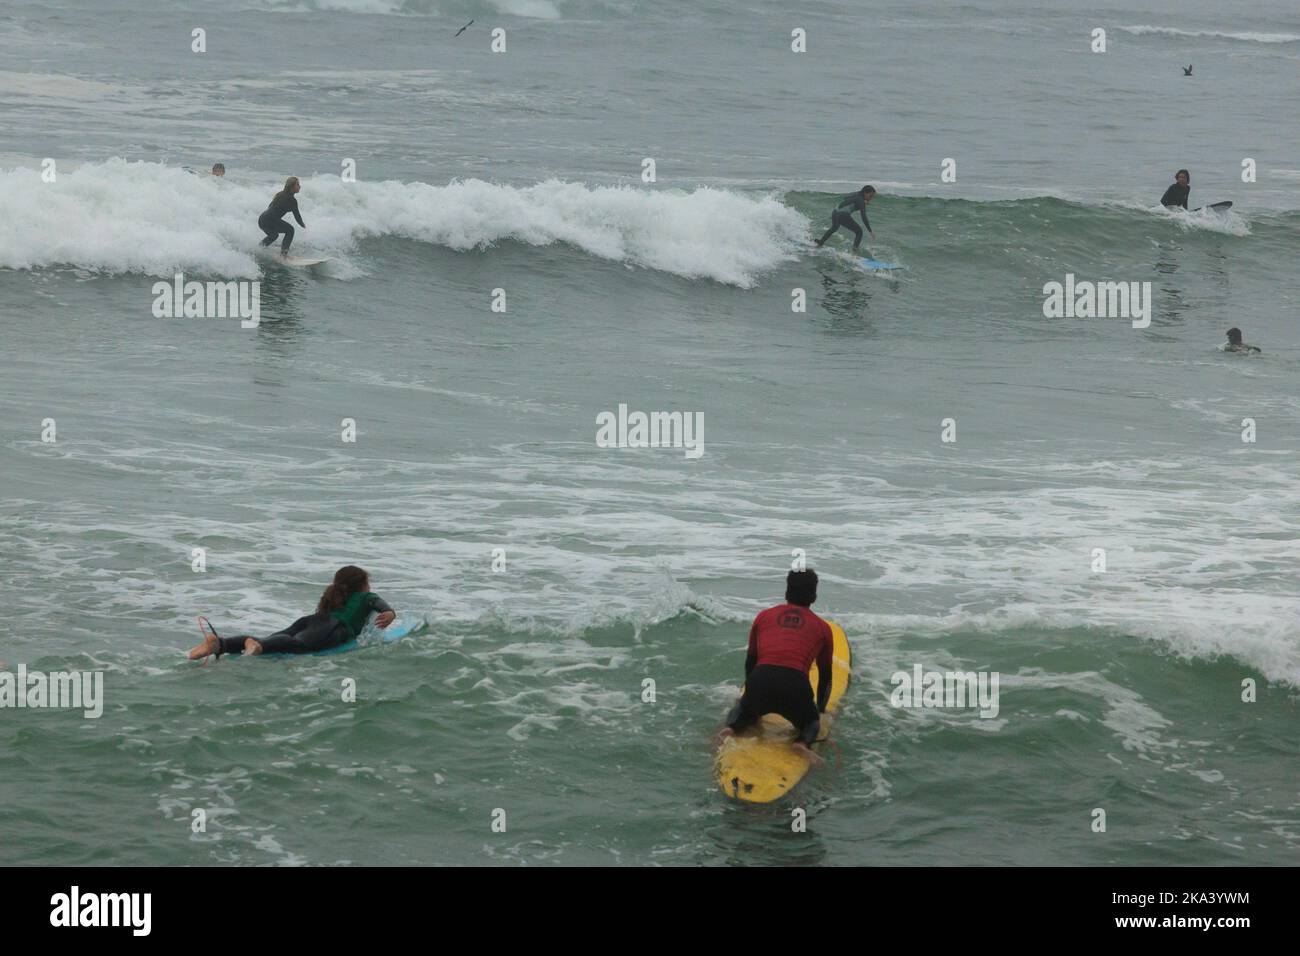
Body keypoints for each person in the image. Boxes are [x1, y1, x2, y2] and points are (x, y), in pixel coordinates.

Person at [718, 569, 834, 763]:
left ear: (787, 593)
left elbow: (751, 662)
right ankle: (801, 744)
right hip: (795, 685)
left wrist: (749, 693)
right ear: (814, 596)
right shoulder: (823, 628)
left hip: (760, 679)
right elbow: (826, 676)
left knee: (744, 710)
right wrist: (820, 710)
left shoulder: (763, 616)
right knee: (810, 722)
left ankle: (730, 729)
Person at [188, 566, 394, 659]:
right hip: (334, 628)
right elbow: (379, 603)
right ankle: (257, 646)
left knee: (276, 638)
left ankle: (220, 644)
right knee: (299, 646)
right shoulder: (366, 597)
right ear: (362, 585)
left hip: (310, 621)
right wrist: (390, 613)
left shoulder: (333, 597)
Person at [815, 185, 876, 251]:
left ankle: (821, 242)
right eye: (870, 196)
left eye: (872, 197)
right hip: (842, 215)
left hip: (835, 212)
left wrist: (861, 202)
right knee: (859, 232)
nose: (871, 198)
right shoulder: (861, 200)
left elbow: (845, 197)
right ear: (865, 193)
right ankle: (854, 252)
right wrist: (870, 231)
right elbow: (863, 216)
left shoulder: (856, 194)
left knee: (834, 227)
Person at [258, 176, 305, 255]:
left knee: (274, 236)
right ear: (292, 186)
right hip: (270, 220)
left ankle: (258, 248)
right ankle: (284, 254)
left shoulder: (280, 194)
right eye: (297, 184)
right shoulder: (292, 200)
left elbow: (270, 207)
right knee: (290, 230)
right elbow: (297, 216)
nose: (300, 186)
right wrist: (303, 225)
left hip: (262, 219)